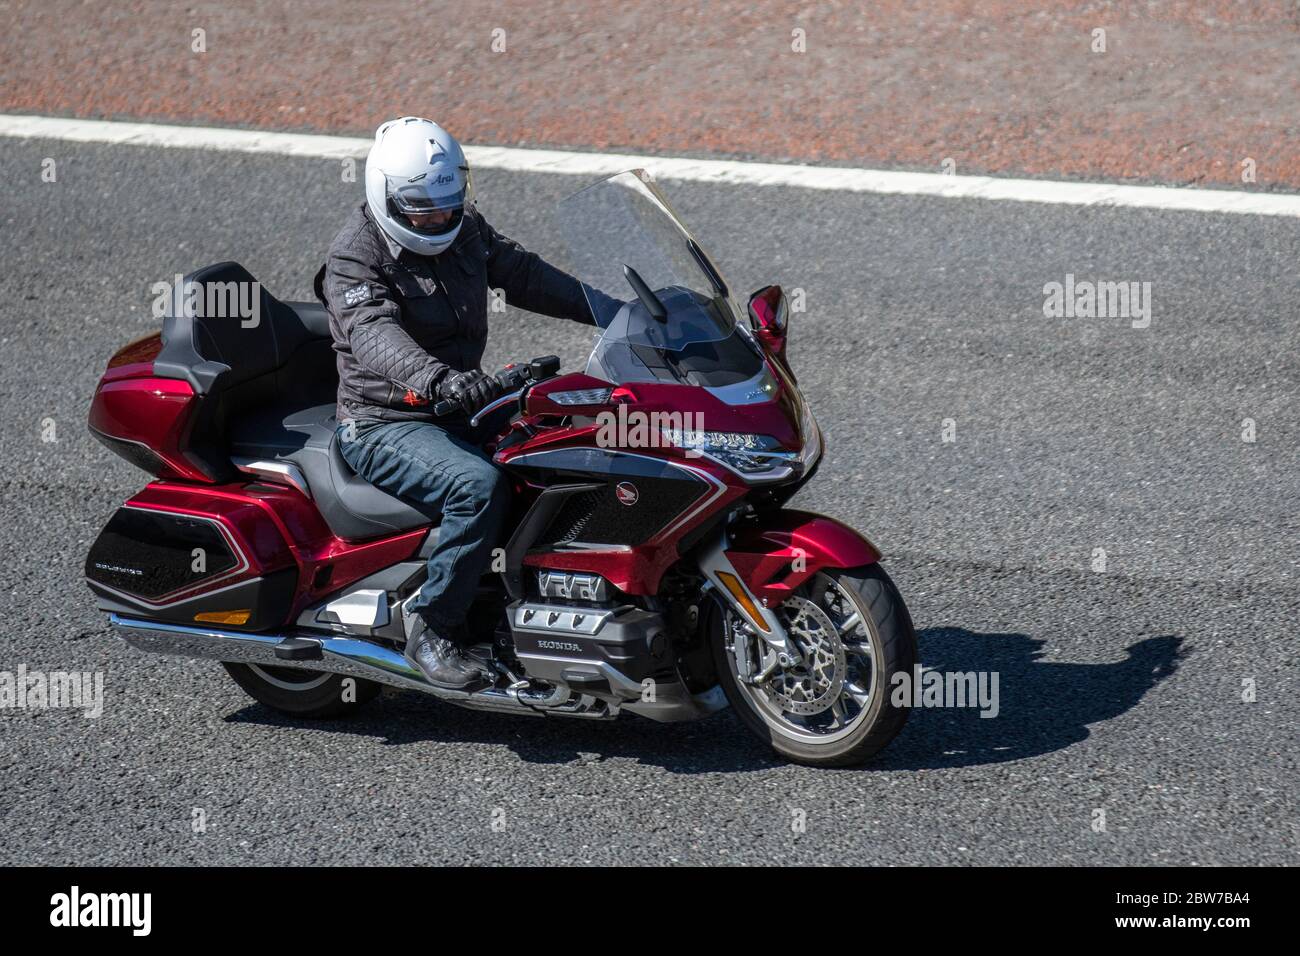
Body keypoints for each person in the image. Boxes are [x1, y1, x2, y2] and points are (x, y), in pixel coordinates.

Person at [315, 116, 600, 690]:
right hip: (384, 421)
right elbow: (374, 335)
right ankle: (433, 629)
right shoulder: (357, 256)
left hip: (458, 404)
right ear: (387, 196)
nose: (440, 218)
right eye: (424, 209)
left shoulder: (462, 227)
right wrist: (438, 379)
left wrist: (617, 310)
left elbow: (525, 275)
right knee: (477, 487)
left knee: (571, 444)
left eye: (449, 204)